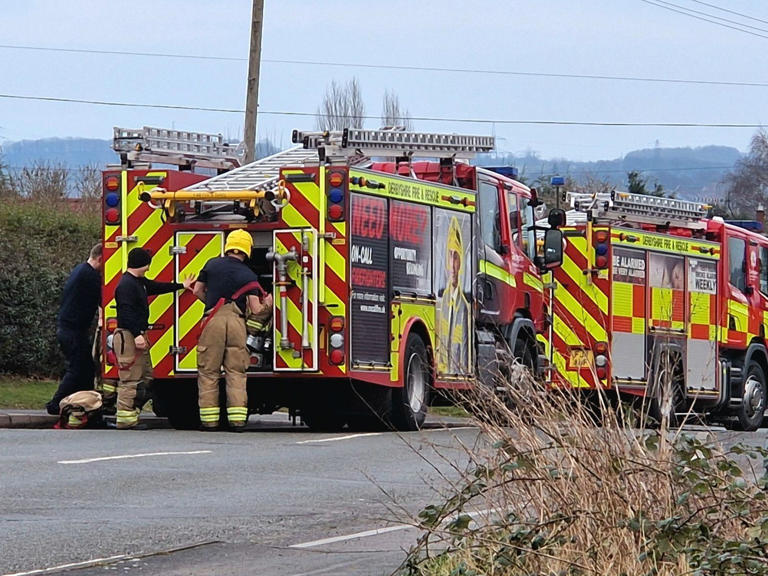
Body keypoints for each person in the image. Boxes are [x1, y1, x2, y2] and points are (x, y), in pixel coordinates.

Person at [192, 229, 272, 431]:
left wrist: (209, 305)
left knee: (209, 372)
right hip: (237, 322)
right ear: (247, 249)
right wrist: (268, 304)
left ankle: (209, 422)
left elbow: (197, 290)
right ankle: (237, 421)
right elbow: (255, 309)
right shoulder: (249, 274)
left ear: (228, 246)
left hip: (212, 320)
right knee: (236, 372)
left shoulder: (211, 264)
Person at [113, 247, 193, 429]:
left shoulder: (138, 282)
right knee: (131, 378)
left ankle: (132, 413)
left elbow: (156, 287)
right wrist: (136, 335)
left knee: (146, 376)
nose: (149, 267)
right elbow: (125, 313)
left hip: (136, 335)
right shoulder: (126, 285)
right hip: (129, 336)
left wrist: (181, 285)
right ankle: (125, 420)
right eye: (147, 263)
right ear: (142, 263)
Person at [46, 243, 103, 415]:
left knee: (86, 369)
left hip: (69, 329)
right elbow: (103, 298)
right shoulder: (90, 276)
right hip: (74, 331)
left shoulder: (80, 270)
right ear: (101, 259)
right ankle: (55, 404)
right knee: (78, 368)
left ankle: (85, 406)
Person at [437, 217, 471, 375]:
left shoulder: (464, 307)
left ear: (461, 261)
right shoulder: (442, 302)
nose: (452, 264)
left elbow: (464, 349)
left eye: (455, 256)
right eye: (449, 255)